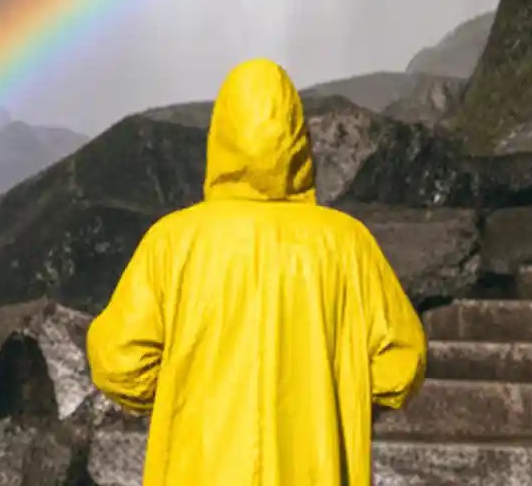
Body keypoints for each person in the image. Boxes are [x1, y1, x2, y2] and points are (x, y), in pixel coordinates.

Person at [86, 57, 427, 485]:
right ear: (299, 140)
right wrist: (335, 391)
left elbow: (118, 362)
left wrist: (187, 389)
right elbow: (402, 361)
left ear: (221, 136)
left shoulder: (173, 242)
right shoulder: (347, 244)